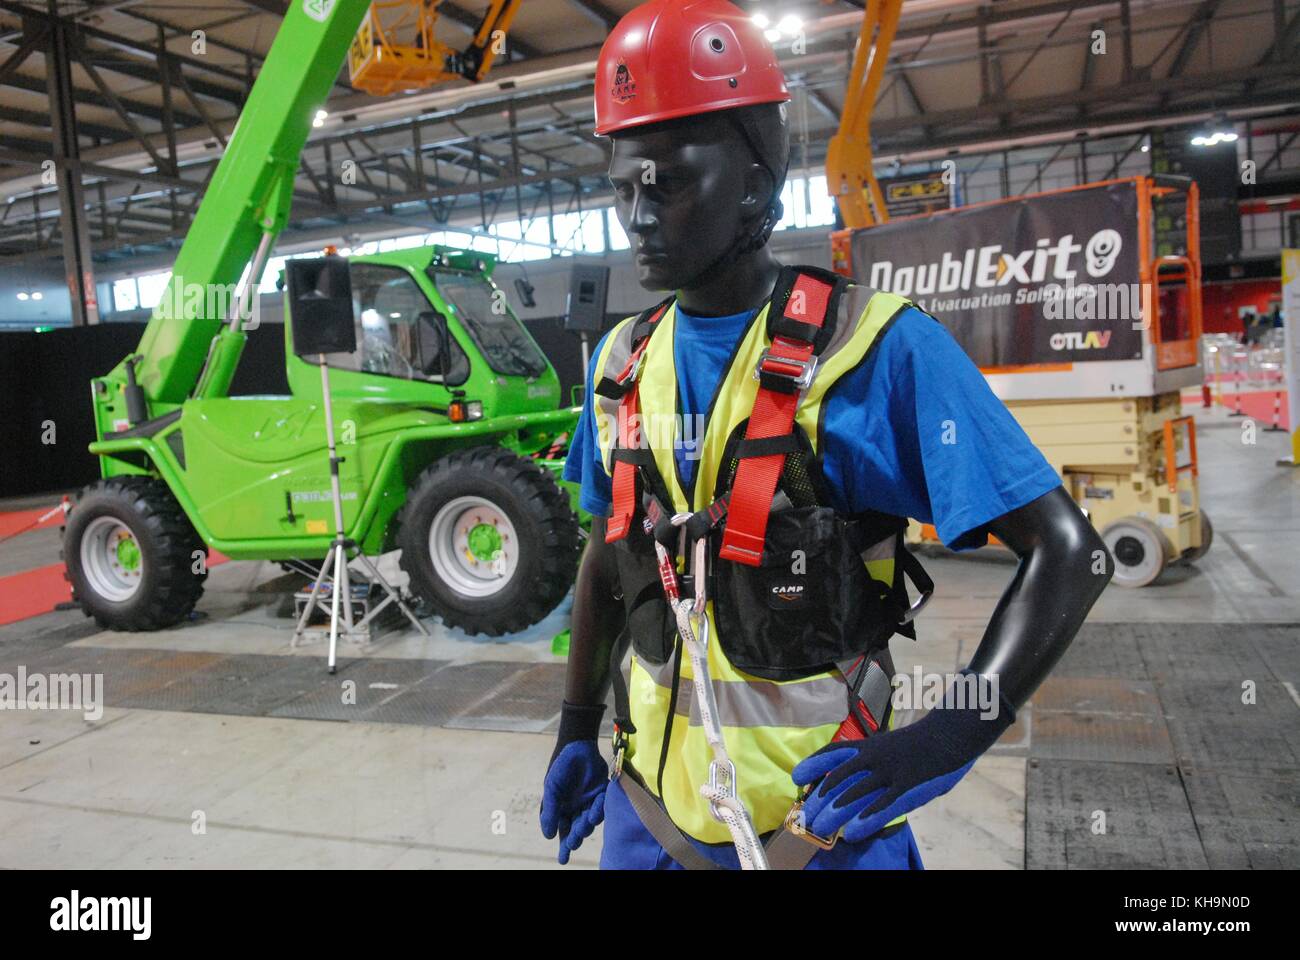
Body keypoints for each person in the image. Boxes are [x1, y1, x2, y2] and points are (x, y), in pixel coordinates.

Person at [540, 0, 1111, 870]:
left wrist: (947, 737)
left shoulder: (873, 351)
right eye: (623, 186)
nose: (639, 215)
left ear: (758, 186)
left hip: (820, 836)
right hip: (643, 821)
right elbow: (603, 555)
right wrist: (577, 726)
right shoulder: (622, 361)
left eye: (670, 180)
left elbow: (1070, 552)